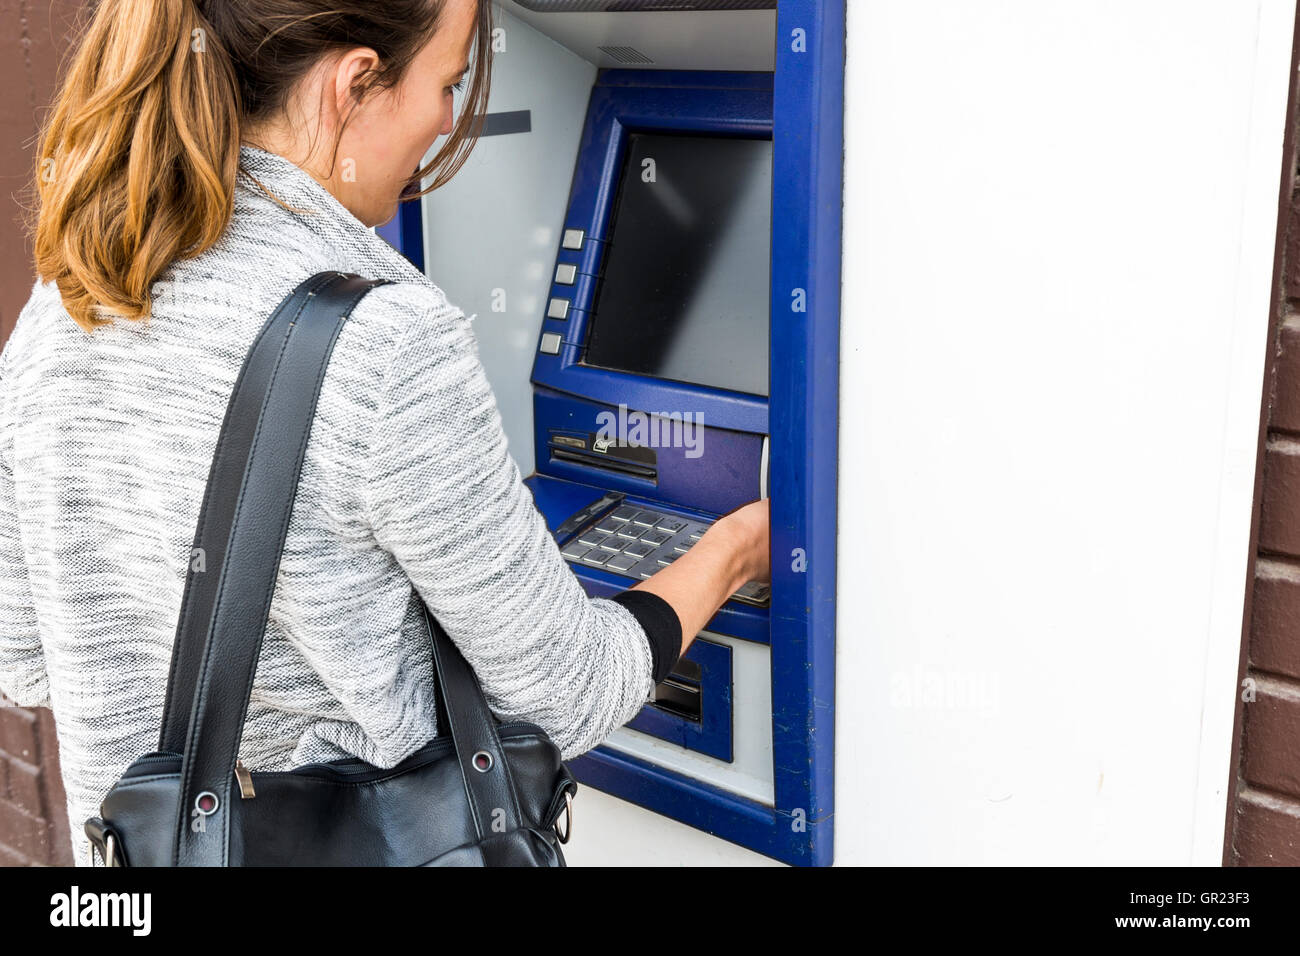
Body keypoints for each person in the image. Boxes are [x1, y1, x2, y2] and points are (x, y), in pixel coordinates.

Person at [0, 0, 770, 865]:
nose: (445, 121)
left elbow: (24, 657)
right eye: (445, 85)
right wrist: (738, 547)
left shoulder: (67, 302)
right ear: (355, 83)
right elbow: (571, 690)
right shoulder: (386, 339)